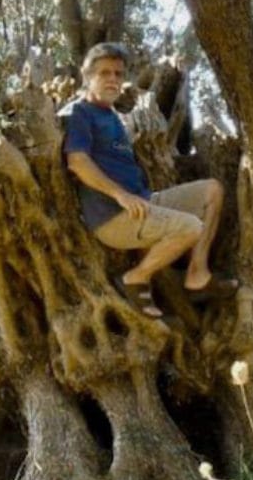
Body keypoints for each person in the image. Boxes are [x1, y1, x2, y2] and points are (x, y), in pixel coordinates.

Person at [61, 42, 236, 317]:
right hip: (113, 217)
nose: (113, 79)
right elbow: (78, 162)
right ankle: (136, 277)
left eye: (118, 74)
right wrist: (121, 195)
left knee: (212, 191)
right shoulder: (80, 113)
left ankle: (197, 274)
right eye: (104, 73)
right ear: (88, 76)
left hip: (143, 203)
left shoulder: (112, 116)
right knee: (191, 227)